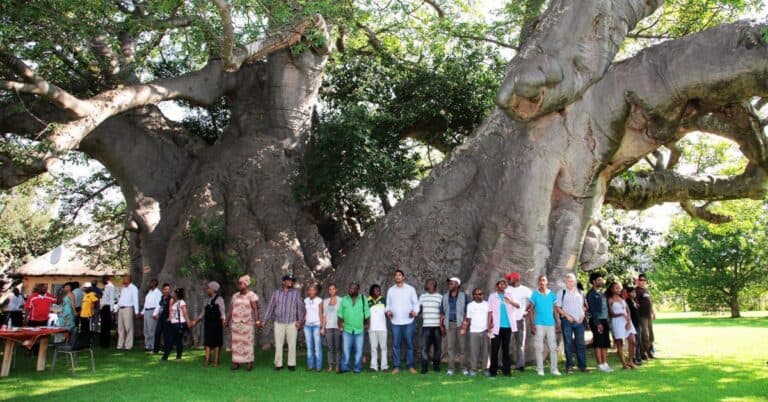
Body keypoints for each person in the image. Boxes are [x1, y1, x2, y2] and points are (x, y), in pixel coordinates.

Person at [261, 274, 305, 371]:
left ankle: (291, 364)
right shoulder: (276, 293)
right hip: (279, 322)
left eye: (291, 280)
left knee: (292, 343)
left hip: (292, 322)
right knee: (278, 344)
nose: (290, 282)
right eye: (288, 280)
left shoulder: (296, 293)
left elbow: (300, 308)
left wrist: (300, 321)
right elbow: (270, 308)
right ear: (283, 282)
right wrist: (264, 321)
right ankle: (278, 364)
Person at [385, 269, 419, 374]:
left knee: (409, 345)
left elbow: (416, 304)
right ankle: (397, 366)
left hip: (408, 322)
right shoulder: (391, 290)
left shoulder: (410, 289)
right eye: (396, 275)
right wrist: (388, 312)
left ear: (403, 277)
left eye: (399, 275)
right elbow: (388, 305)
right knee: (396, 345)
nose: (397, 277)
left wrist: (415, 312)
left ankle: (411, 366)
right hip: (395, 322)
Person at [555, 273, 588, 374]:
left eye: (572, 281)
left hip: (579, 321)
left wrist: (582, 315)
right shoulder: (562, 292)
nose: (570, 283)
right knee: (568, 343)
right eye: (568, 281)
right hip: (567, 321)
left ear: (575, 282)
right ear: (565, 282)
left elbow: (583, 306)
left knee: (581, 343)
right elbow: (557, 308)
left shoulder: (580, 292)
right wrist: (567, 316)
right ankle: (569, 366)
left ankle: (582, 366)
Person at [529, 275, 561, 376]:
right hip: (539, 324)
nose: (542, 282)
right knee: (539, 347)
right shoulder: (535, 295)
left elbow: (555, 310)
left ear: (546, 282)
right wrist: (532, 324)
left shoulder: (552, 294)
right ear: (538, 282)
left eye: (543, 280)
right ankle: (540, 369)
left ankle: (554, 369)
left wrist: (558, 322)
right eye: (540, 280)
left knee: (553, 347)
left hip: (551, 324)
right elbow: (531, 310)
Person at [191, 281, 227, 367]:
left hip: (217, 324)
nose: (207, 290)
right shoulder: (207, 300)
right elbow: (203, 313)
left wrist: (224, 323)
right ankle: (207, 360)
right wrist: (195, 322)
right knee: (207, 342)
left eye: (208, 288)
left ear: (213, 289)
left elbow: (222, 312)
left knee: (217, 343)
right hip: (208, 324)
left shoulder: (219, 299)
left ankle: (216, 361)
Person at [337, 282, 370, 374]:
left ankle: (357, 368)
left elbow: (367, 313)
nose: (350, 289)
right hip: (347, 329)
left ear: (357, 289)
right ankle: (344, 368)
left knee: (359, 351)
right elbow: (340, 314)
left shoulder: (363, 299)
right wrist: (339, 325)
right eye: (350, 288)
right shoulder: (344, 299)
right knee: (346, 350)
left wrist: (367, 325)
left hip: (359, 329)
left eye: (353, 288)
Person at [488, 279, 518, 377]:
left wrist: (510, 302)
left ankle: (507, 372)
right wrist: (489, 324)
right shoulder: (492, 296)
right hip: (496, 327)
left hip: (508, 327)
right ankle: (493, 372)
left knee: (506, 350)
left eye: (504, 283)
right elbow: (490, 311)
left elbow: (518, 306)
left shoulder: (510, 295)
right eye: (500, 283)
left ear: (506, 286)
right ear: (497, 286)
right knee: (495, 350)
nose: (502, 285)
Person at [230, 275, 260, 370]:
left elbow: (255, 309)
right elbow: (231, 309)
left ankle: (249, 363)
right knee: (236, 344)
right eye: (238, 283)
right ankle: (236, 362)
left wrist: (257, 320)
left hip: (247, 324)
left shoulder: (251, 295)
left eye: (241, 283)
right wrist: (227, 320)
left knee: (247, 344)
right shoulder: (235, 296)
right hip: (235, 324)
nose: (239, 285)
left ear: (246, 284)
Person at [440, 277, 469, 376]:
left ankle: (464, 368)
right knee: (450, 347)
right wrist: (442, 327)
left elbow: (467, 312)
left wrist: (465, 326)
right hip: (449, 324)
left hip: (460, 324)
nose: (450, 285)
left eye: (452, 283)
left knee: (462, 347)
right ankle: (450, 369)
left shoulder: (463, 296)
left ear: (458, 285)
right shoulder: (444, 297)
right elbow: (442, 313)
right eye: (449, 284)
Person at [505, 272, 532, 372]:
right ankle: (503, 363)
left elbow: (533, 300)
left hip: (520, 320)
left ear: (516, 279)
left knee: (520, 344)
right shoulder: (506, 289)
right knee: (505, 343)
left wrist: (527, 310)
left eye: (509, 279)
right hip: (508, 320)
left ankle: (520, 365)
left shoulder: (525, 290)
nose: (508, 281)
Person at [607, 282, 637, 369]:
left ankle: (631, 361)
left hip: (627, 321)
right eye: (616, 288)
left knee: (632, 340)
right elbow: (611, 314)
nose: (618, 289)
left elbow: (628, 310)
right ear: (612, 289)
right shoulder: (610, 300)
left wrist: (628, 320)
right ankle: (624, 364)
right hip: (617, 322)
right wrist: (620, 314)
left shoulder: (622, 298)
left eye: (619, 288)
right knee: (619, 343)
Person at [587, 272, 613, 372]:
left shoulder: (602, 293)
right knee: (598, 343)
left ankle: (605, 363)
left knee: (605, 342)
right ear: (593, 281)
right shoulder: (591, 294)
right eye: (599, 280)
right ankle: (600, 364)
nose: (601, 281)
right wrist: (597, 323)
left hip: (605, 320)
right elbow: (592, 310)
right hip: (597, 321)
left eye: (602, 279)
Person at [461, 287, 490, 377]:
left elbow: (490, 316)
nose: (480, 296)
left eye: (481, 294)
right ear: (474, 295)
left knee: (486, 352)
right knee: (474, 352)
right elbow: (467, 319)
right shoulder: (470, 305)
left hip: (485, 331)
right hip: (474, 331)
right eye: (478, 294)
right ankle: (473, 370)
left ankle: (485, 369)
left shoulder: (487, 304)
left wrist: (490, 326)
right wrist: (464, 328)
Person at [419, 279, 443, 374]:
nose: (426, 285)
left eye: (428, 283)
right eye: (426, 283)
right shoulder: (422, 296)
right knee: (425, 348)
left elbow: (442, 312)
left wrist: (442, 326)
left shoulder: (440, 297)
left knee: (437, 348)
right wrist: (414, 312)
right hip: (426, 326)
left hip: (437, 326)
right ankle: (424, 367)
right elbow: (419, 309)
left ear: (433, 285)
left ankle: (436, 366)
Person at [162, 288, 191, 361]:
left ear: (177, 294)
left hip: (179, 323)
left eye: (174, 293)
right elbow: (172, 313)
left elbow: (185, 313)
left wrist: (188, 322)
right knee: (176, 340)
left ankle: (168, 357)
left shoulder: (182, 302)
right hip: (173, 323)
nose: (173, 294)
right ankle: (176, 356)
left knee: (172, 340)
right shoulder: (175, 302)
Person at [367, 284, 388, 372]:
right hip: (372, 329)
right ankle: (374, 366)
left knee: (383, 348)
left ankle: (384, 367)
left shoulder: (383, 300)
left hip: (382, 328)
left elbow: (387, 312)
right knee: (373, 348)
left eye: (379, 290)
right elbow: (366, 315)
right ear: (371, 291)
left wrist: (389, 314)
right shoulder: (367, 301)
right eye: (376, 290)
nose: (378, 292)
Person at [116, 275, 140, 350]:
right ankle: (120, 345)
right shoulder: (123, 288)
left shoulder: (133, 288)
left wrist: (136, 311)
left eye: (124, 279)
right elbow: (120, 300)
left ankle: (128, 346)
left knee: (128, 327)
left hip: (128, 308)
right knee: (120, 328)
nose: (123, 280)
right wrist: (116, 309)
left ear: (129, 280)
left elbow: (135, 300)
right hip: (121, 309)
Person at [304, 283, 324, 372]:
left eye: (313, 290)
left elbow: (321, 313)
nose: (311, 291)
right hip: (307, 326)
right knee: (309, 346)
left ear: (316, 291)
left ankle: (318, 366)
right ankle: (310, 365)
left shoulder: (319, 300)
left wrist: (322, 327)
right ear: (308, 291)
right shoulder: (306, 300)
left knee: (317, 346)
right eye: (310, 290)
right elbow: (305, 313)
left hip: (316, 325)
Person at [635, 273, 656, 359]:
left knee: (651, 335)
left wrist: (653, 312)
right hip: (642, 315)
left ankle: (649, 351)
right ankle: (643, 353)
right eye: (641, 280)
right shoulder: (636, 290)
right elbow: (635, 302)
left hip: (648, 316)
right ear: (638, 281)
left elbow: (650, 302)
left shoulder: (646, 290)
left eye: (644, 280)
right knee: (645, 335)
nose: (642, 282)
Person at [322, 283, 342, 372]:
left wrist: (342, 326)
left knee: (337, 348)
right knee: (330, 348)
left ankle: (338, 365)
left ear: (336, 290)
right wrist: (323, 328)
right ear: (328, 291)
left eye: (333, 289)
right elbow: (324, 315)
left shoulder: (341, 300)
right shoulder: (325, 301)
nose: (332, 291)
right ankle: (330, 365)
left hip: (338, 327)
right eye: (330, 289)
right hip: (328, 327)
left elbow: (343, 314)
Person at [141, 279, 162, 352]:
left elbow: (158, 304)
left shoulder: (158, 293)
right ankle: (147, 345)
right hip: (147, 311)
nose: (150, 284)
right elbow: (146, 303)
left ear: (155, 284)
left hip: (152, 311)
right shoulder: (149, 293)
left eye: (151, 283)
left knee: (151, 330)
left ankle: (153, 346)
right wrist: (143, 312)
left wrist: (155, 313)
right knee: (146, 330)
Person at [625, 286, 643, 365]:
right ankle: (634, 358)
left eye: (634, 292)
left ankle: (638, 357)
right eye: (632, 292)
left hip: (638, 323)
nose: (634, 293)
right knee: (634, 342)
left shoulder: (634, 301)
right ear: (628, 293)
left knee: (638, 341)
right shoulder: (627, 301)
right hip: (633, 323)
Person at [152, 283, 172, 354]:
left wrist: (170, 318)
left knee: (166, 335)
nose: (167, 291)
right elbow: (161, 307)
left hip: (167, 318)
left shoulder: (170, 298)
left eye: (168, 289)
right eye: (165, 289)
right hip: (161, 318)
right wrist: (157, 314)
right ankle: (155, 350)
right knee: (157, 333)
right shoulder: (162, 297)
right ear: (162, 290)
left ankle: (166, 350)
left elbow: (171, 309)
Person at [99, 276, 117, 348]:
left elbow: (111, 298)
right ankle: (102, 342)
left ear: (106, 279)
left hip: (107, 307)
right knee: (103, 326)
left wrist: (111, 309)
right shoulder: (106, 287)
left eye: (103, 280)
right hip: (103, 307)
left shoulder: (111, 286)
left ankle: (106, 343)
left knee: (106, 326)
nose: (102, 281)